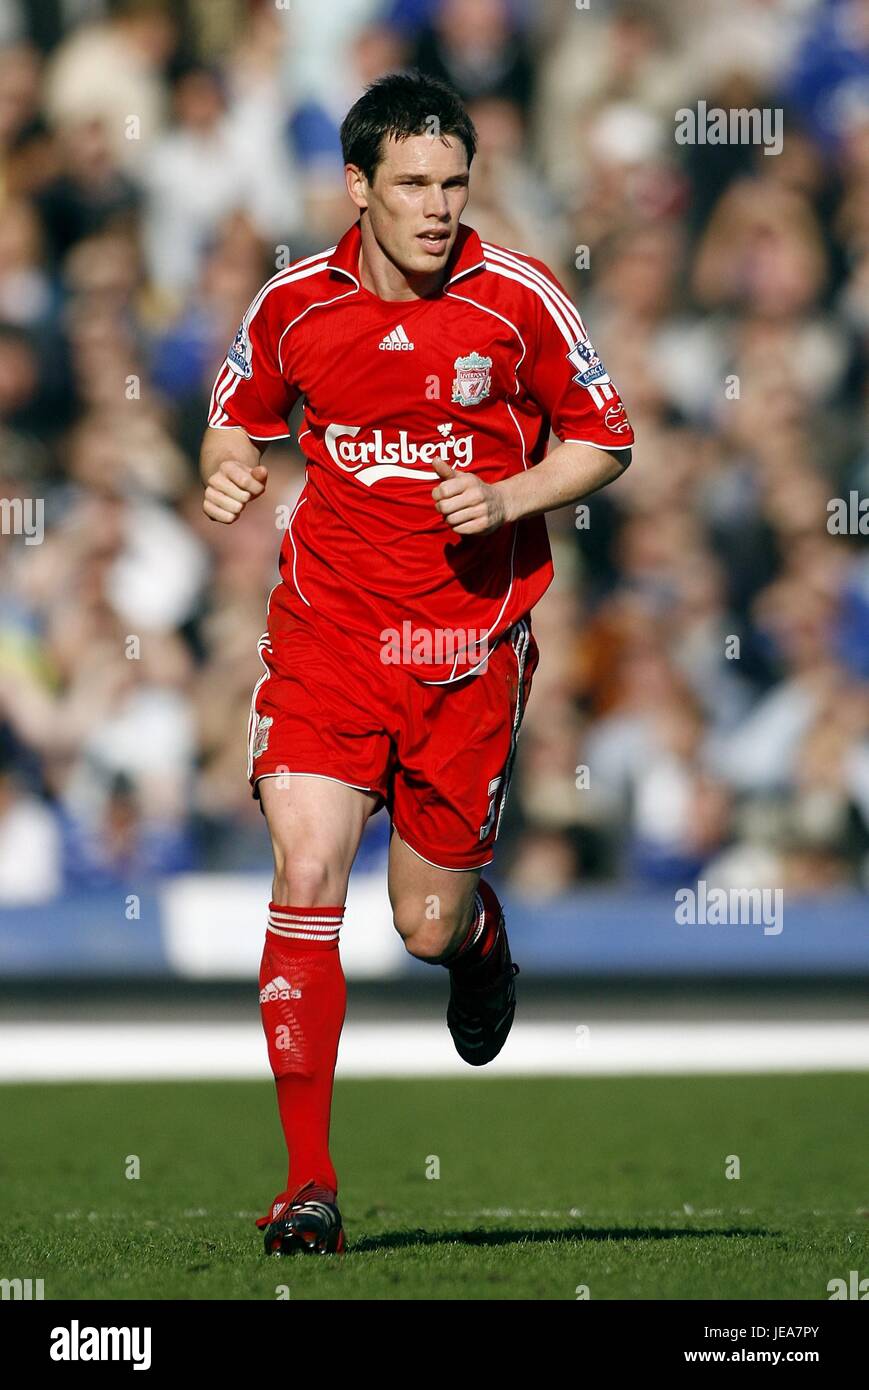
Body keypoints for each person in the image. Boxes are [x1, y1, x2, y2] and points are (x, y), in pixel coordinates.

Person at [199, 70, 634, 1256]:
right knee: (303, 869)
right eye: (412, 185)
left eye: (453, 183)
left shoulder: (519, 302)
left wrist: (506, 492)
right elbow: (238, 410)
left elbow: (605, 438)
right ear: (358, 188)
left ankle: (478, 949)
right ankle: (307, 1186)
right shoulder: (294, 304)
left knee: (423, 924)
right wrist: (228, 462)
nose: (438, 208)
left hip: (463, 654)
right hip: (327, 642)